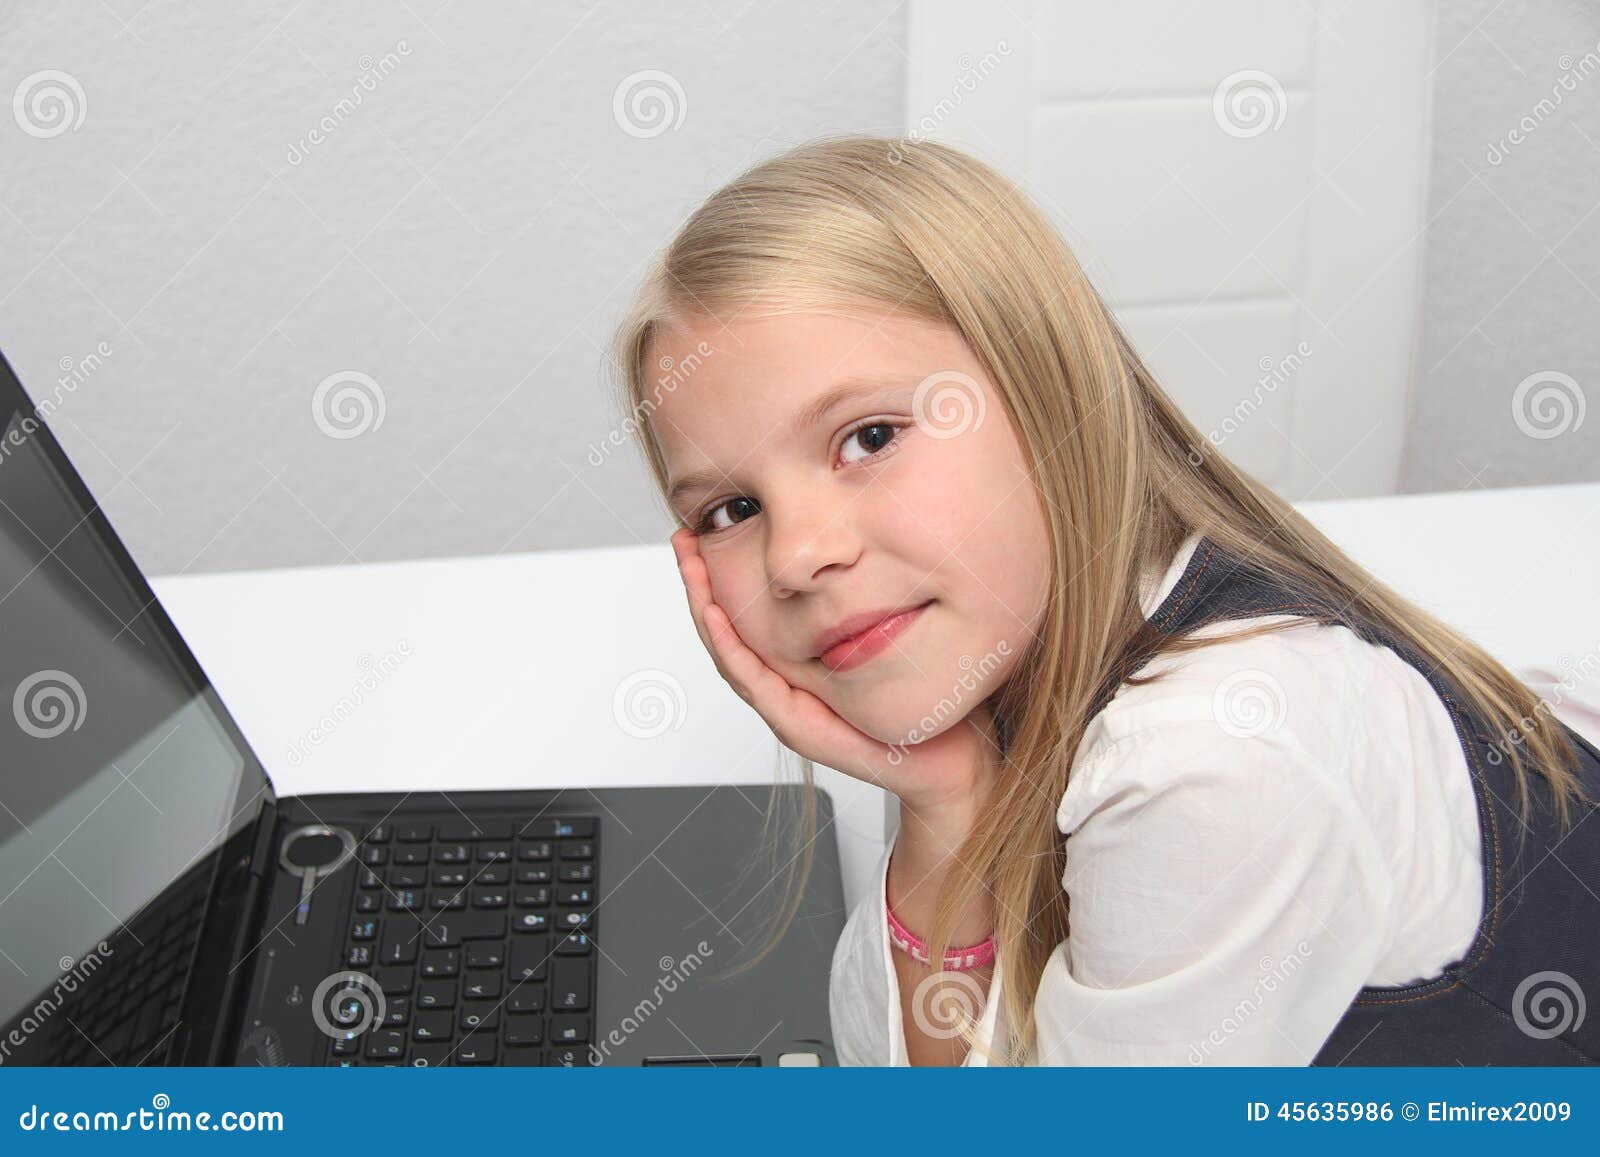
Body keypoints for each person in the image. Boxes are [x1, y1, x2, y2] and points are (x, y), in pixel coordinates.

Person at [608, 134, 1600, 1066]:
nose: (799, 553)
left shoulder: (1217, 756)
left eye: (868, 436)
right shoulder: (1013, 623)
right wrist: (945, 807)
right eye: (733, 506)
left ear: (1048, 394)